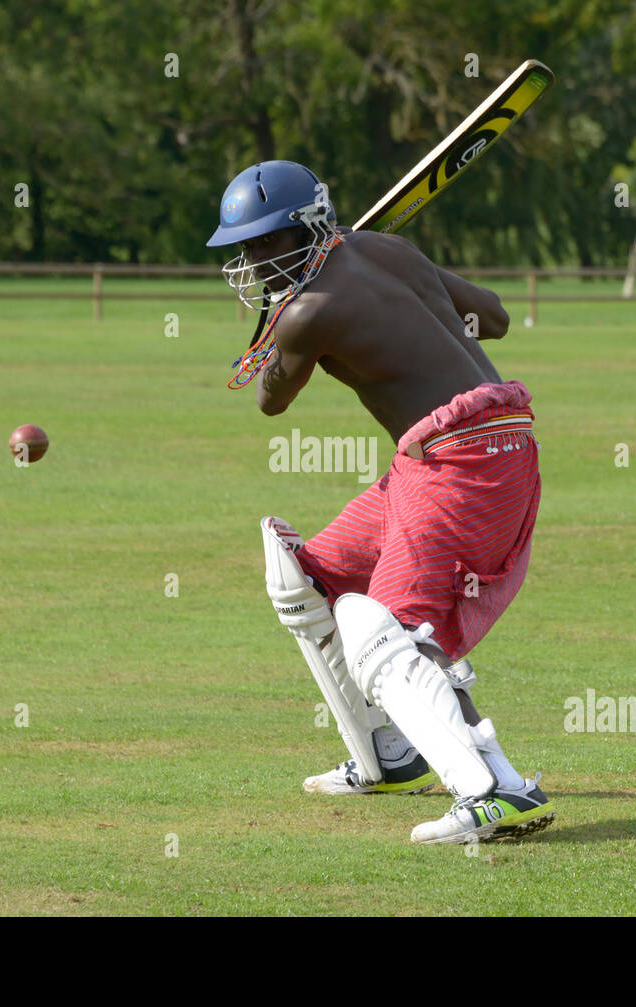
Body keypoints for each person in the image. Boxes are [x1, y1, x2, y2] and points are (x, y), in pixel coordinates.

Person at [208, 160, 554, 845]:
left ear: (307, 229)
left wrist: (294, 315)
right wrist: (374, 267)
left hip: (463, 462)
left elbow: (269, 399)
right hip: (457, 449)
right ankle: (390, 757)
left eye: (265, 243)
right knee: (307, 575)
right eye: (243, 248)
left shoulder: (308, 311)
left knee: (384, 631)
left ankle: (495, 790)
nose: (251, 260)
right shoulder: (387, 250)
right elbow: (495, 316)